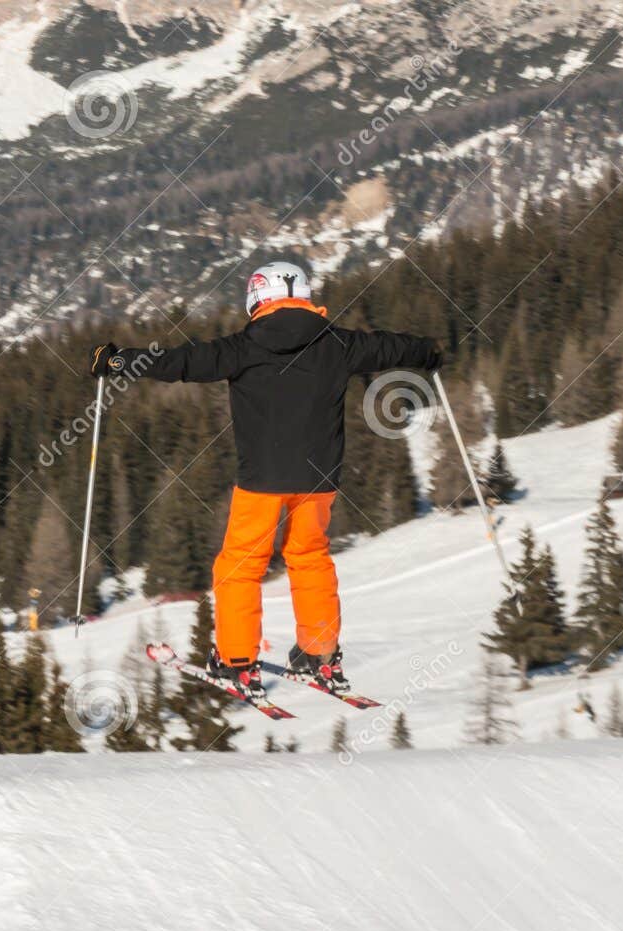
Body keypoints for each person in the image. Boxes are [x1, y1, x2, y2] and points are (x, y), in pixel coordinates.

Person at [90, 260, 442, 699]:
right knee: (310, 557)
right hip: (320, 479)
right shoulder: (339, 343)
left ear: (258, 296)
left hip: (263, 481)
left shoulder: (244, 347)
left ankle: (238, 663)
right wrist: (426, 352)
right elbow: (389, 348)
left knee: (241, 565)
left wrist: (120, 361)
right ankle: (321, 656)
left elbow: (183, 362)